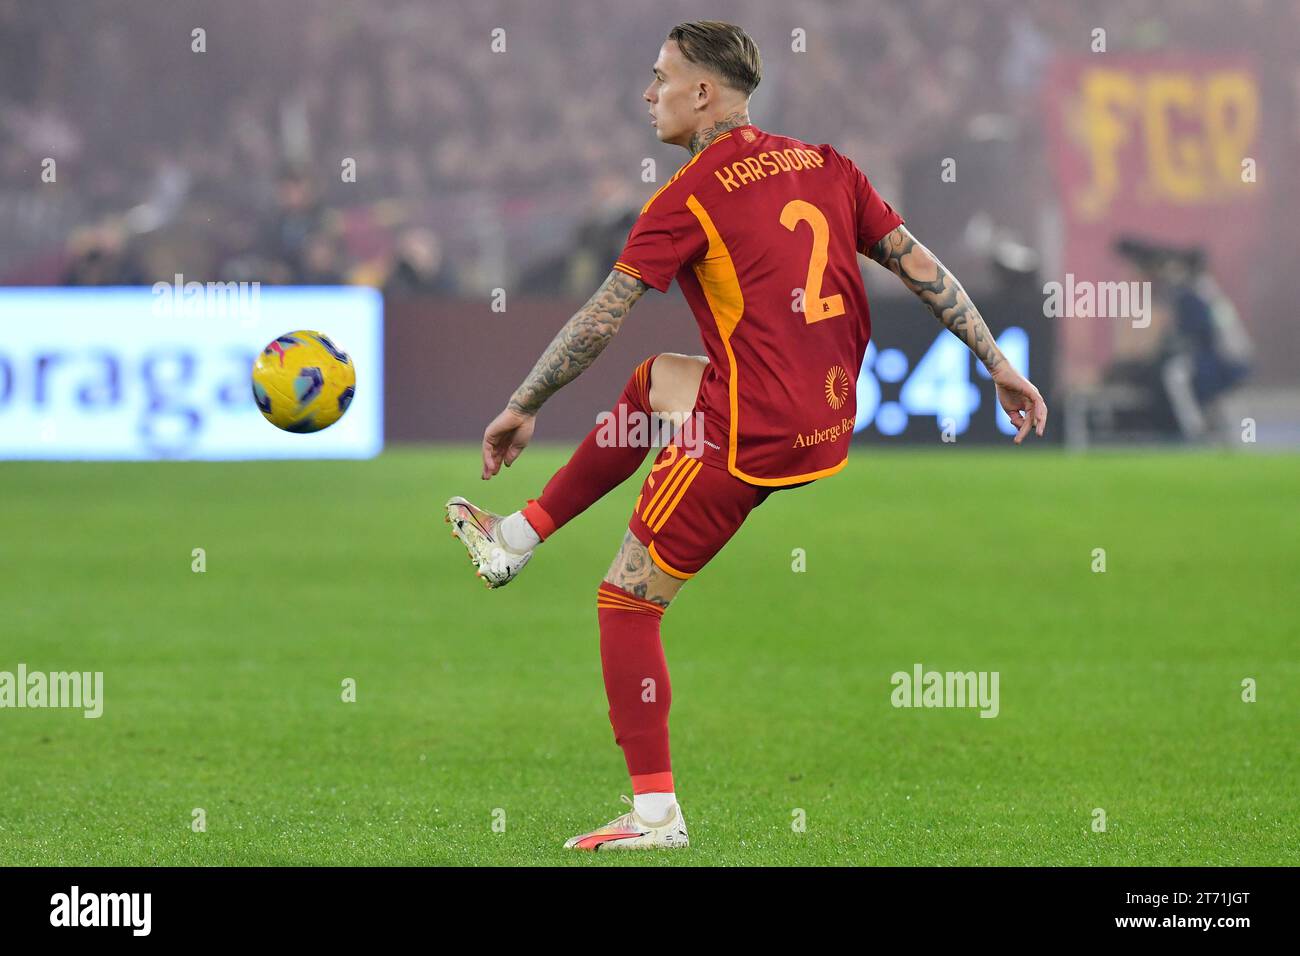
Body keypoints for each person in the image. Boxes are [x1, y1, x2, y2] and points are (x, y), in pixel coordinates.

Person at [445, 20, 1047, 851]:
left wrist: (524, 400)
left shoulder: (686, 198)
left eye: (659, 78)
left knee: (625, 601)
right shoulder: (826, 165)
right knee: (656, 383)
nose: (647, 94)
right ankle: (516, 536)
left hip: (749, 432)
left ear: (703, 92)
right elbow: (918, 264)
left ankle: (655, 815)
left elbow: (598, 317)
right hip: (828, 416)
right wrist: (996, 359)